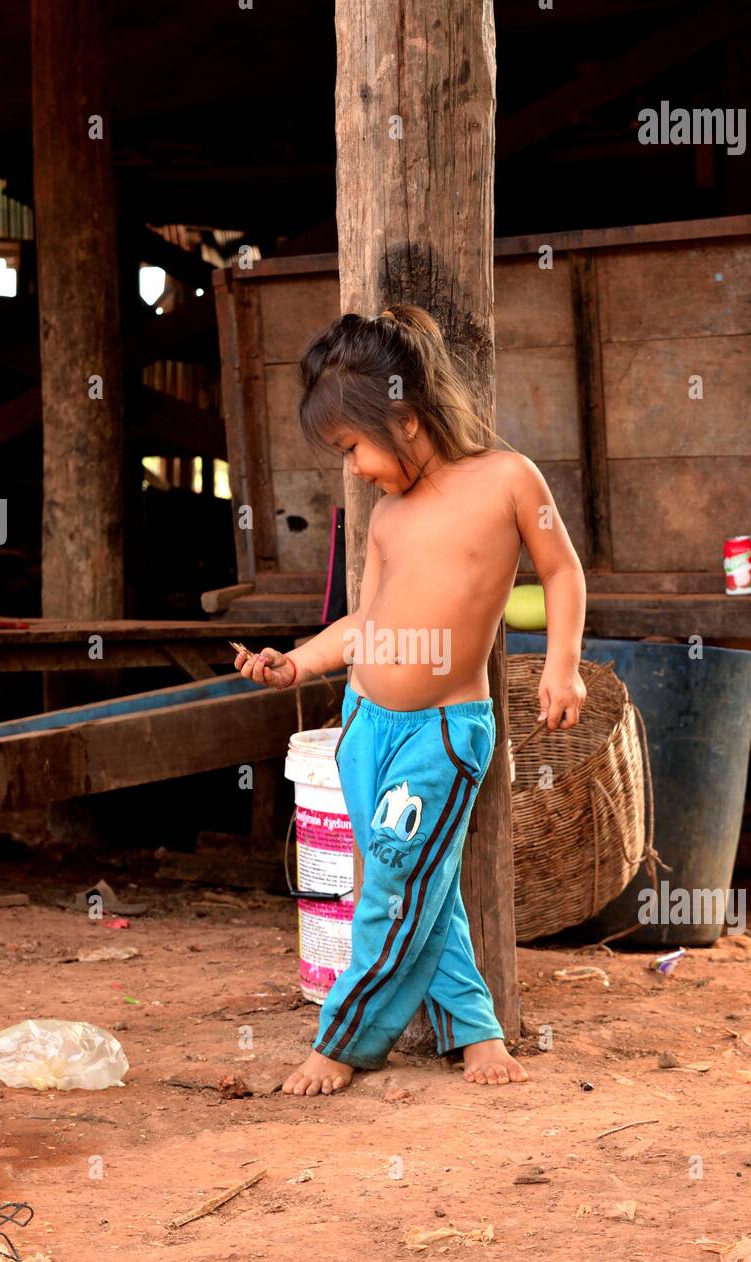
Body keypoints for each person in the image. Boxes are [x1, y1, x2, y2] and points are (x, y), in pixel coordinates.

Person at [234, 305, 586, 1097]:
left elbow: (562, 571)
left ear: (406, 415)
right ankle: (475, 1028)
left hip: (441, 735)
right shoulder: (388, 518)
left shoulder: (506, 480)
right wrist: (294, 665)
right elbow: (364, 623)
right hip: (366, 729)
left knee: (394, 882)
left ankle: (345, 1040)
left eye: (353, 447)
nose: (353, 469)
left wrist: (563, 666)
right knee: (420, 880)